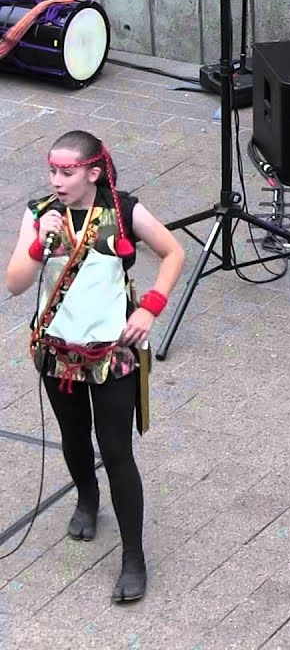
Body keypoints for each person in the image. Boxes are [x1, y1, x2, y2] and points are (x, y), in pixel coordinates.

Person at [5, 131, 185, 603]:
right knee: (72, 435)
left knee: (117, 450)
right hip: (58, 351)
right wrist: (37, 246)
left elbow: (174, 252)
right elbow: (16, 285)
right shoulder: (40, 214)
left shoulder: (124, 210)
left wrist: (149, 308)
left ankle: (133, 556)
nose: (57, 181)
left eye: (67, 172)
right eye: (52, 171)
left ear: (93, 171)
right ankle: (86, 497)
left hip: (111, 355)